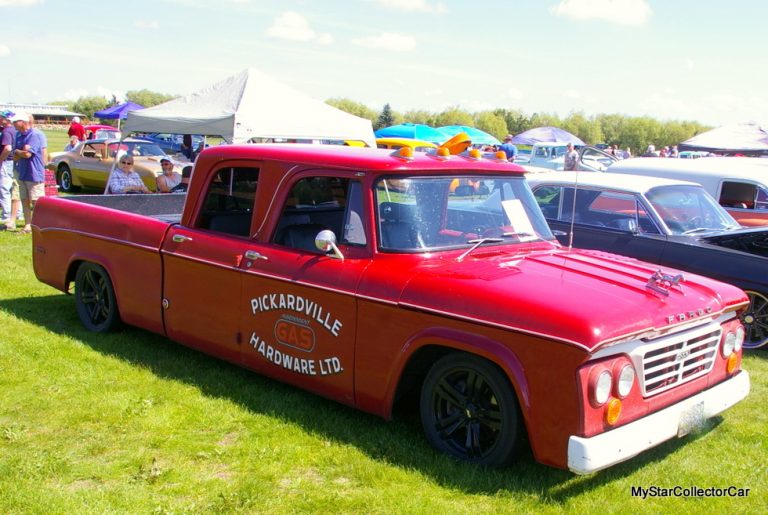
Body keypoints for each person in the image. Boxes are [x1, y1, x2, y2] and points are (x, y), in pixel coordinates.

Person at [11, 111, 46, 234]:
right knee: (24, 200)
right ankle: (27, 225)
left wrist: (19, 152)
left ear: (23, 122)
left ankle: (39, 225)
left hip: (34, 173)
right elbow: (15, 155)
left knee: (36, 201)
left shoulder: (35, 135)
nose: (14, 124)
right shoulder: (18, 135)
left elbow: (28, 154)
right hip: (22, 172)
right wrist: (20, 152)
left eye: (16, 122)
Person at [0, 111, 19, 230]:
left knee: (4, 188)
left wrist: (0, 159)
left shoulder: (6, 131)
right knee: (15, 188)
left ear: (6, 119)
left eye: (1, 117)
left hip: (7, 162)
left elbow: (7, 148)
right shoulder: (14, 130)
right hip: (14, 162)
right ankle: (18, 213)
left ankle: (6, 215)